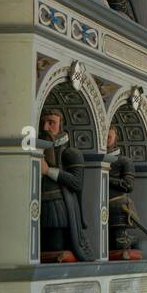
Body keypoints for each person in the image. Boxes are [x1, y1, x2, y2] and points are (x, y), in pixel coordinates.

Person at [39, 108, 93, 262]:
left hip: (59, 209)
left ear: (61, 125)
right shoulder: (41, 149)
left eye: (51, 123)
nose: (45, 128)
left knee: (56, 249)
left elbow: (76, 182)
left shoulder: (71, 152)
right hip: (40, 207)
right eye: (43, 123)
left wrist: (48, 171)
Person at [106, 125, 147, 260]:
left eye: (109, 136)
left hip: (118, 207)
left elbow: (128, 185)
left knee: (118, 243)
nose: (106, 139)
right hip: (99, 207)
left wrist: (106, 178)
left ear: (115, 138)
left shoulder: (124, 161)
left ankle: (134, 242)